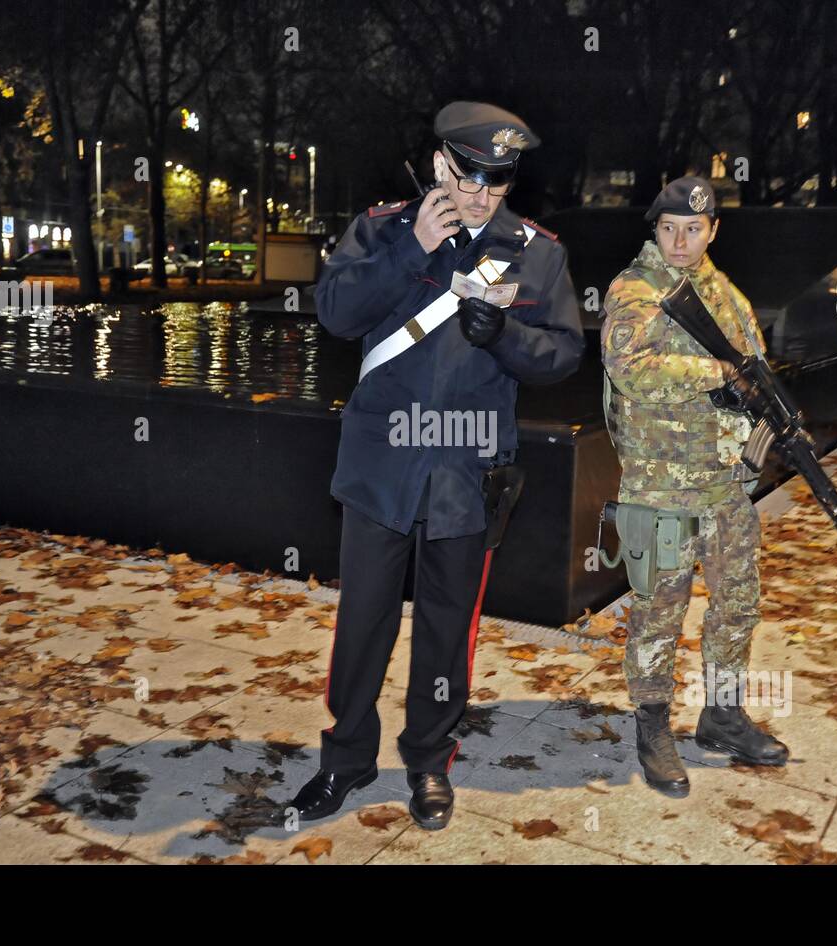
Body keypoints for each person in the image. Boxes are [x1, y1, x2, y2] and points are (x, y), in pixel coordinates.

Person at [290, 101, 584, 829]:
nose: (482, 194)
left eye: (499, 180)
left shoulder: (537, 250)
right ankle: (346, 757)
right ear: (437, 164)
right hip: (380, 465)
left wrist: (508, 336)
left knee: (449, 626)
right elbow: (334, 311)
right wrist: (409, 250)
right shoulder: (382, 227)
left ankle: (428, 761)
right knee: (362, 620)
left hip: (467, 469)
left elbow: (566, 351)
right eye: (469, 175)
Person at [601, 176, 788, 798]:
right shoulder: (635, 289)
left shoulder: (726, 293)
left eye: (693, 229)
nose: (680, 241)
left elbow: (754, 366)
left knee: (738, 603)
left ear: (713, 231)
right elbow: (631, 370)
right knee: (658, 612)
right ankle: (653, 726)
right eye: (668, 228)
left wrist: (767, 424)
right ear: (654, 231)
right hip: (659, 486)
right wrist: (715, 372)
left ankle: (722, 715)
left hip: (724, 484)